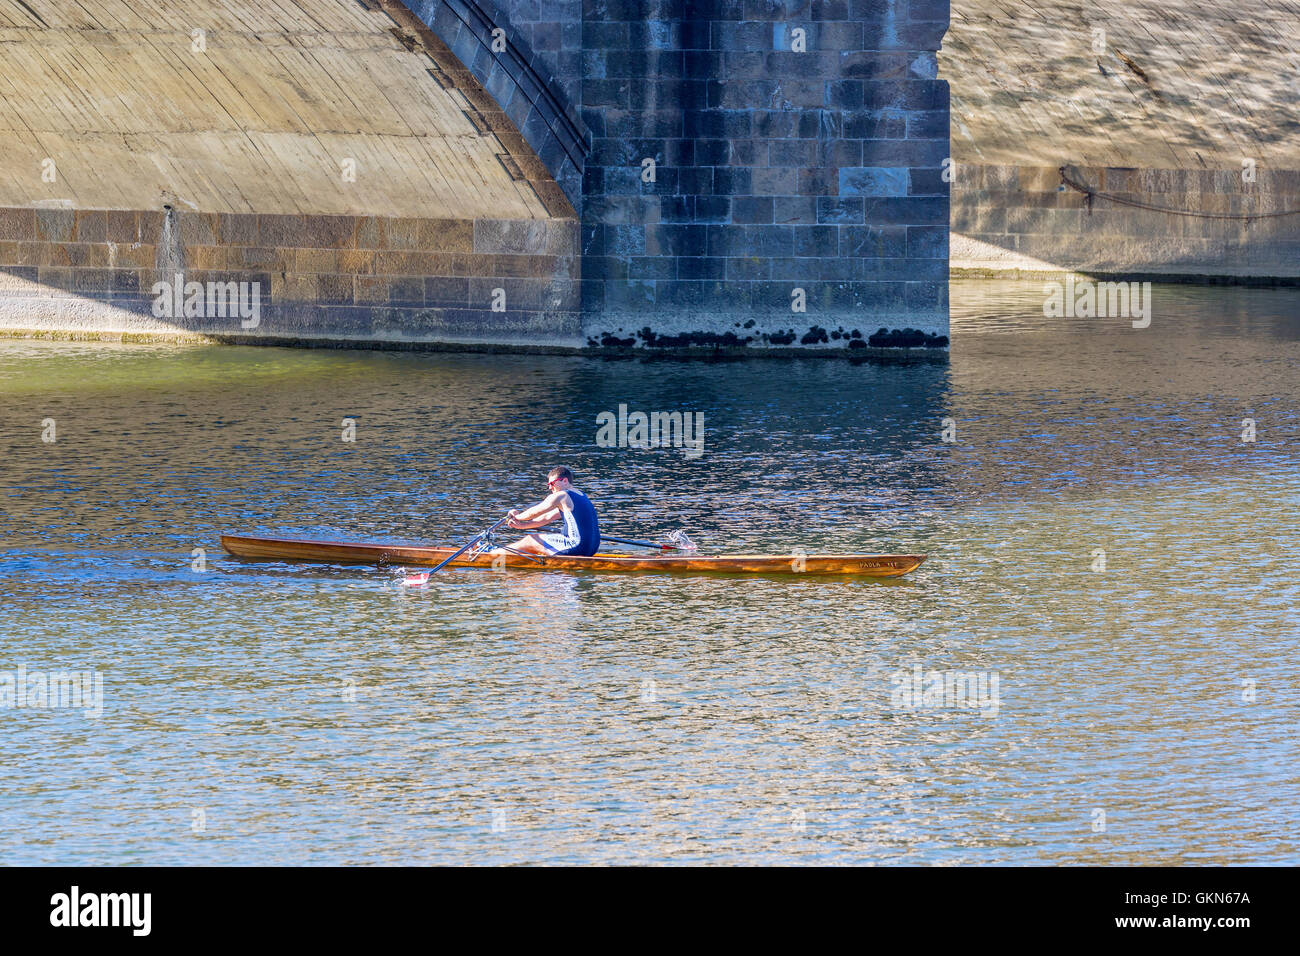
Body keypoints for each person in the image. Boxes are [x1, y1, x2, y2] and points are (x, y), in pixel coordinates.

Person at [499, 466, 601, 557]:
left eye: (552, 483)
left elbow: (534, 512)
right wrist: (522, 526)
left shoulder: (562, 495)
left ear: (565, 481)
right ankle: (501, 553)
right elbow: (546, 518)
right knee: (536, 544)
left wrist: (517, 516)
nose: (550, 487)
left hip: (576, 546)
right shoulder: (581, 495)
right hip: (591, 548)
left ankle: (493, 555)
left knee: (530, 540)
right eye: (548, 484)